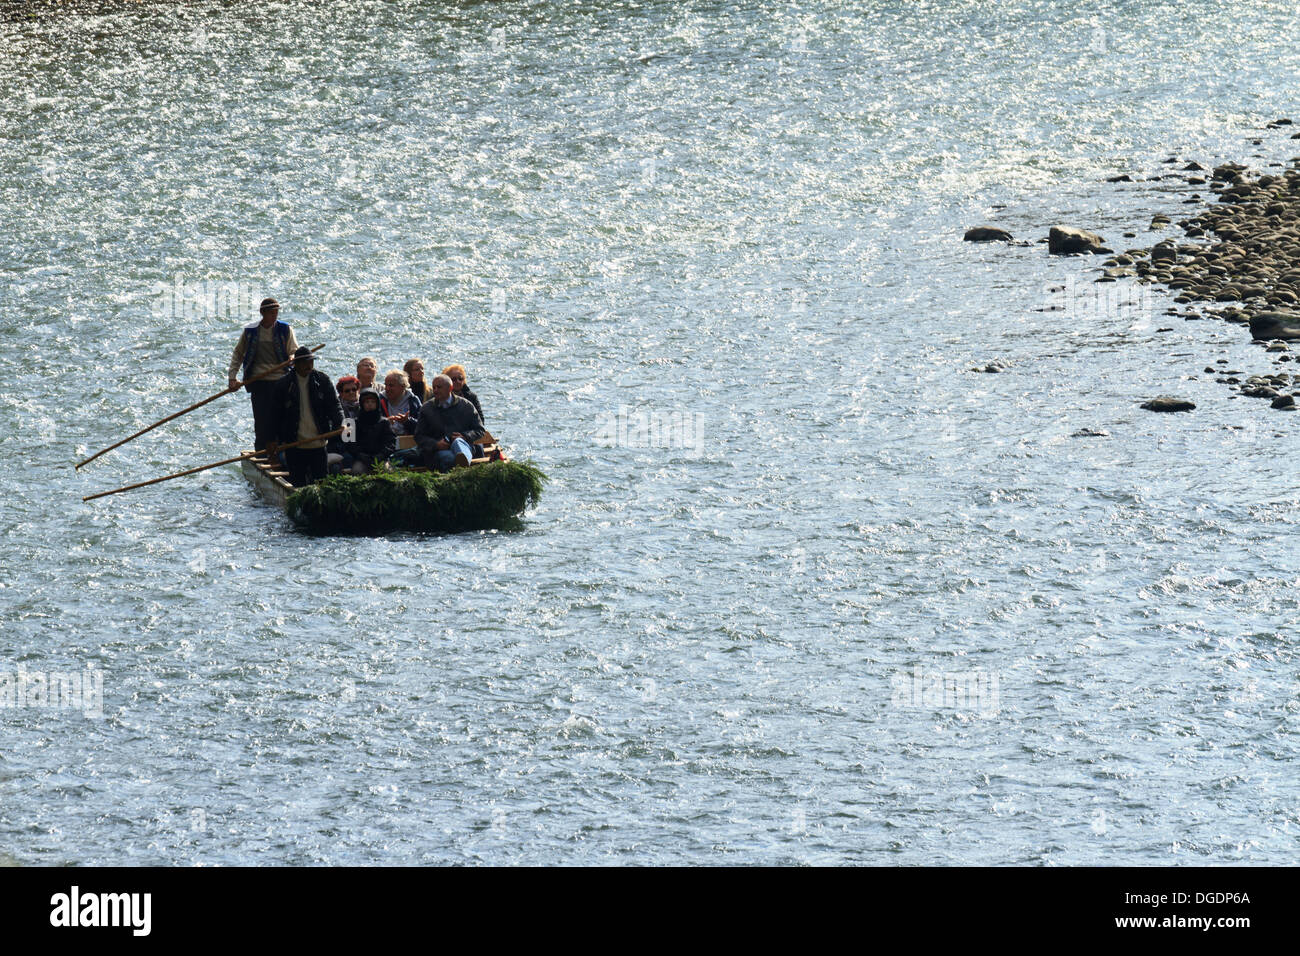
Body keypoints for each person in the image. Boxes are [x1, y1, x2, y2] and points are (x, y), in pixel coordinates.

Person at [227, 297, 299, 451]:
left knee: (281, 418)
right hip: (258, 382)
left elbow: (293, 350)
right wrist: (232, 377)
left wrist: (293, 358)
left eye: (276, 312)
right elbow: (238, 354)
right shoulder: (250, 331)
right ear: (262, 313)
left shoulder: (285, 329)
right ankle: (261, 451)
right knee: (261, 420)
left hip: (281, 380)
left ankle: (281, 452)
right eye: (271, 313)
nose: (275, 316)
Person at [270, 346, 343, 487]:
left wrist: (340, 422)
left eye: (311, 362)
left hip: (318, 443)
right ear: (295, 364)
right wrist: (271, 439)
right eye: (304, 362)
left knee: (321, 484)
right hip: (294, 444)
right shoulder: (283, 385)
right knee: (298, 484)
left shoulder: (322, 380)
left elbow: (334, 406)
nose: (308, 365)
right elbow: (274, 415)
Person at [415, 374, 484, 470]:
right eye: (434, 387)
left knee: (458, 442)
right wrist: (436, 444)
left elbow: (480, 429)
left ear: (450, 388)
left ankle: (463, 461)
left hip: (464, 446)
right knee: (449, 458)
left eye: (439, 387)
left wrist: (464, 436)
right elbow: (419, 436)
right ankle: (463, 468)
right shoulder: (426, 408)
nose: (435, 390)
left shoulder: (466, 405)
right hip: (438, 450)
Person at [344, 387, 397, 474]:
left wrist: (381, 455)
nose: (370, 404)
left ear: (377, 404)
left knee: (387, 471)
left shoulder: (384, 422)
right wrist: (360, 455)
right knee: (357, 471)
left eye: (373, 402)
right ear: (362, 404)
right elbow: (349, 444)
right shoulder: (354, 422)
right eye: (367, 402)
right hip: (361, 459)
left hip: (381, 458)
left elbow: (391, 442)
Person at [327, 376, 363, 473]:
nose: (351, 392)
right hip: (341, 444)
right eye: (347, 391)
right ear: (341, 393)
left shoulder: (365, 405)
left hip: (359, 443)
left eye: (354, 389)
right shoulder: (336, 408)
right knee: (347, 458)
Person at [380, 369, 421, 435]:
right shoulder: (380, 399)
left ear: (403, 386)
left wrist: (407, 421)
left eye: (391, 385)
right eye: (386, 385)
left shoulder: (413, 400)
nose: (387, 389)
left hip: (408, 440)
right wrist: (386, 422)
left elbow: (423, 426)